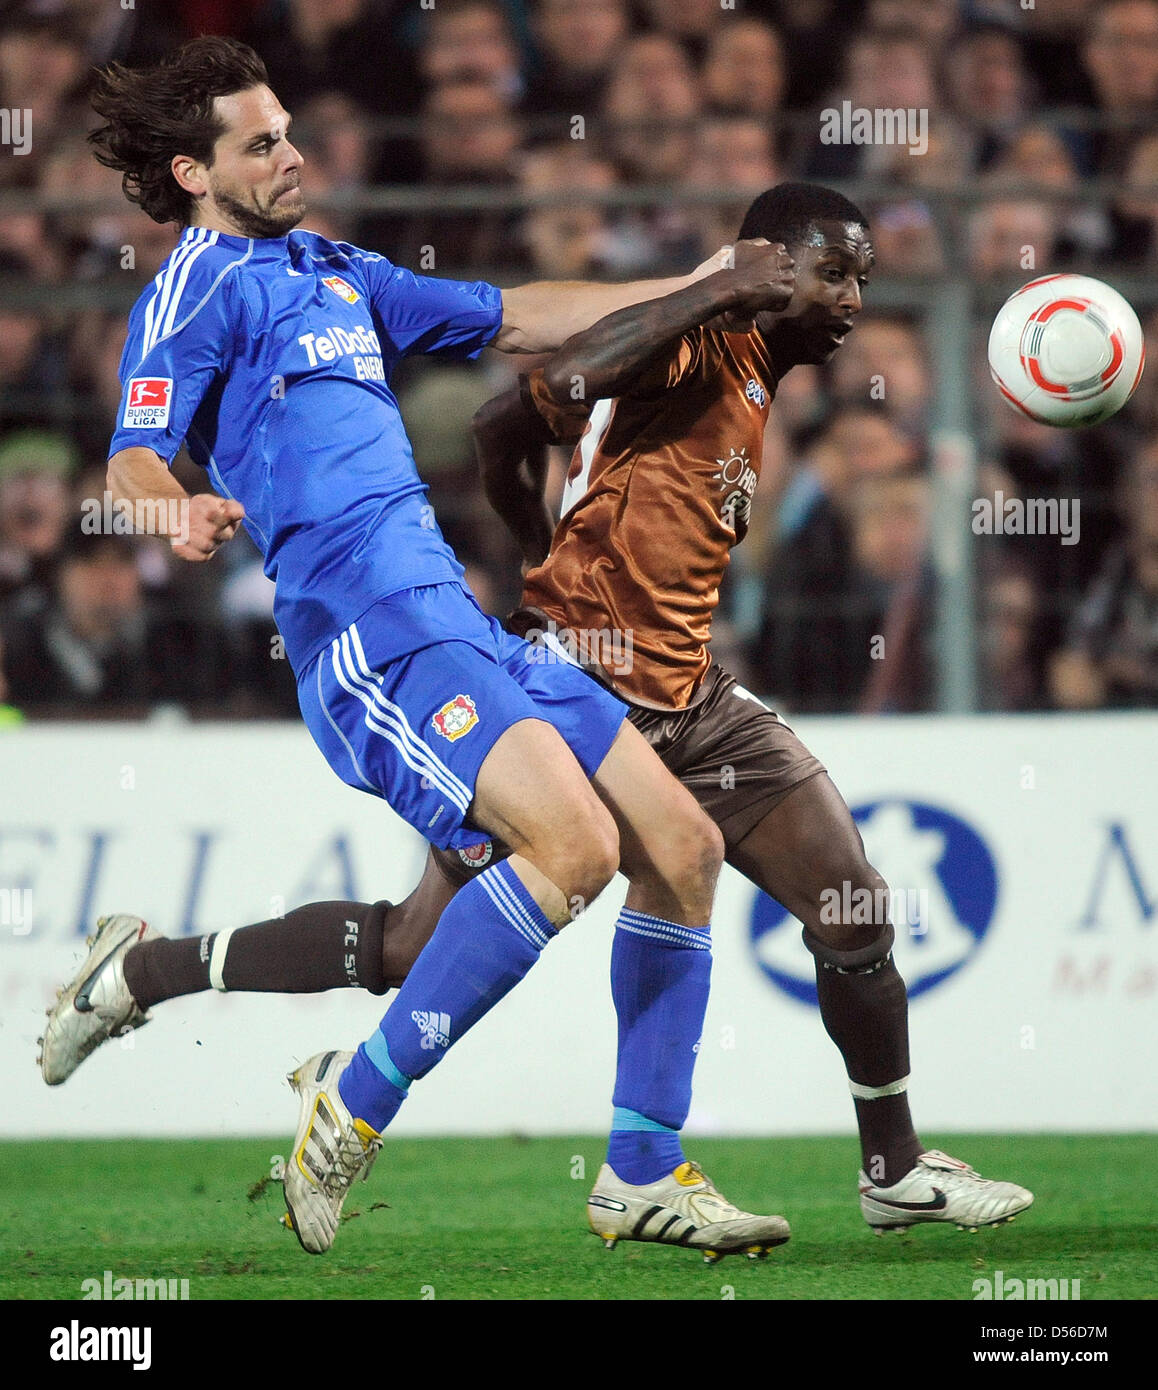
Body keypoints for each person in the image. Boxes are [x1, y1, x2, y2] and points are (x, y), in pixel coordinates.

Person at [45, 168, 1034, 1242]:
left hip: (692, 696)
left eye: (864, 278)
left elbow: (506, 404)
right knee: (411, 951)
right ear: (770, 264)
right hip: (581, 672)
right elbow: (526, 401)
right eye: (834, 272)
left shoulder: (757, 370)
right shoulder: (701, 336)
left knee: (851, 904)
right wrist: (540, 554)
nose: (852, 299)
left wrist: (533, 535)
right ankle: (153, 975)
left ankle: (882, 1167)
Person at [40, 36, 799, 1262]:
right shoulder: (196, 290)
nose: (295, 154)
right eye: (261, 143)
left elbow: (518, 321)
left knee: (683, 845)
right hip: (365, 634)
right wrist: (167, 507)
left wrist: (702, 282)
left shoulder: (334, 267)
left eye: (288, 128)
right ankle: (353, 1101)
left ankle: (641, 1174)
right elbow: (132, 450)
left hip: (457, 618)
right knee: (573, 848)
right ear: (191, 171)